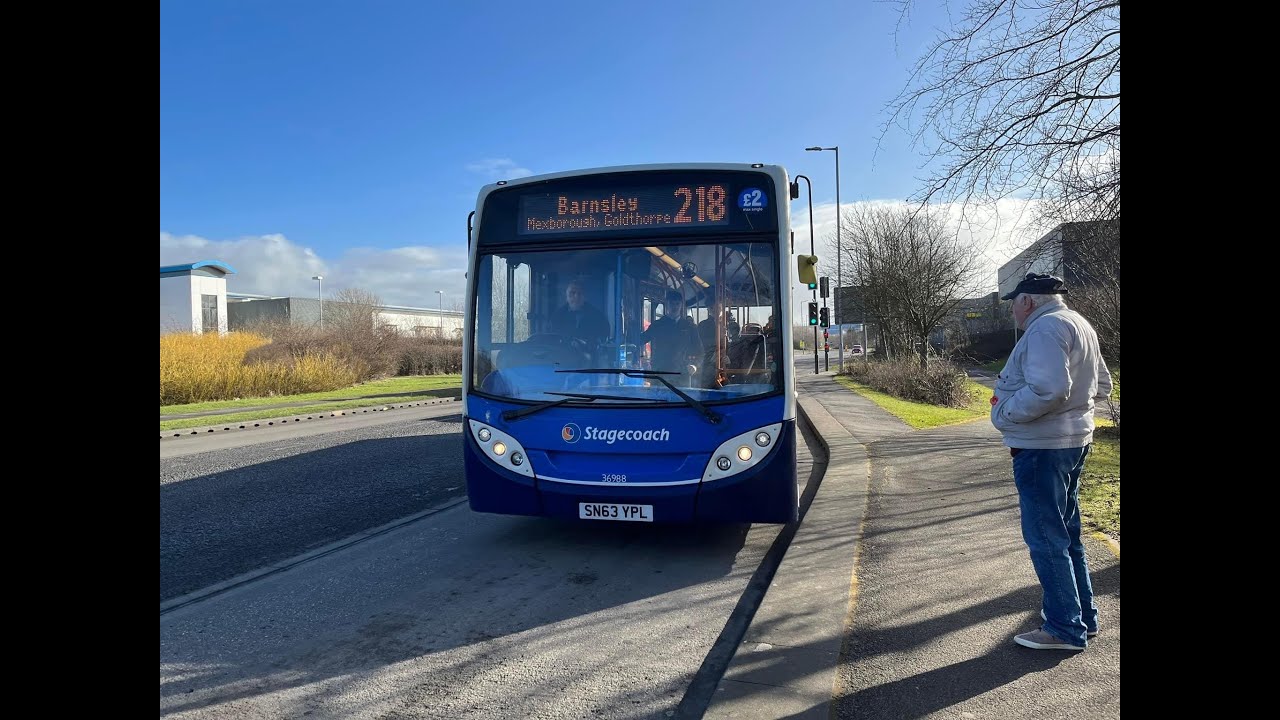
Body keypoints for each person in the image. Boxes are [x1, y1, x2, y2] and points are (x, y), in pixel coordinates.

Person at [990, 272, 1112, 651]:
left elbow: (1050, 388)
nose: (1012, 309)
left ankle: (1063, 629)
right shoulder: (1079, 323)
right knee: (1066, 535)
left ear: (1028, 300)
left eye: (1014, 301)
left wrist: (1007, 412)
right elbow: (1103, 385)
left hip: (1043, 447)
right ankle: (1081, 619)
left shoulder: (1044, 329)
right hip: (1072, 442)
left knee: (1046, 538)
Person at [641, 289, 698, 379]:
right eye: (671, 304)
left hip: (682, 373)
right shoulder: (657, 325)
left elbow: (699, 349)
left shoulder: (689, 327)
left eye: (677, 304)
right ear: (666, 305)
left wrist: (695, 365)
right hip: (660, 372)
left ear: (681, 305)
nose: (674, 307)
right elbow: (642, 339)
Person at [548, 279, 611, 347]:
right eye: (572, 293)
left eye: (580, 293)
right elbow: (551, 340)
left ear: (585, 296)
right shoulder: (557, 317)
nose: (576, 296)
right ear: (566, 296)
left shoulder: (598, 317)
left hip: (591, 355)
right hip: (562, 355)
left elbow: (604, 340)